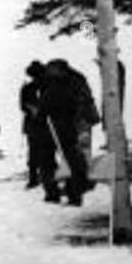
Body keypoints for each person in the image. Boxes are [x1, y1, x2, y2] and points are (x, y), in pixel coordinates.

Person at [39, 59, 91, 204]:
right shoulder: (75, 80)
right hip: (67, 126)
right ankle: (73, 193)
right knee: (71, 159)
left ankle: (57, 192)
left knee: (54, 161)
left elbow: (45, 106)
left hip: (59, 126)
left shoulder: (58, 85)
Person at [20, 62, 48, 188]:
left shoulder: (27, 88)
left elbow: (23, 106)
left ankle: (34, 177)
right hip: (40, 123)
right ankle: (40, 175)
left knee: (34, 151)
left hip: (32, 123)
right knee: (44, 150)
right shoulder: (46, 86)